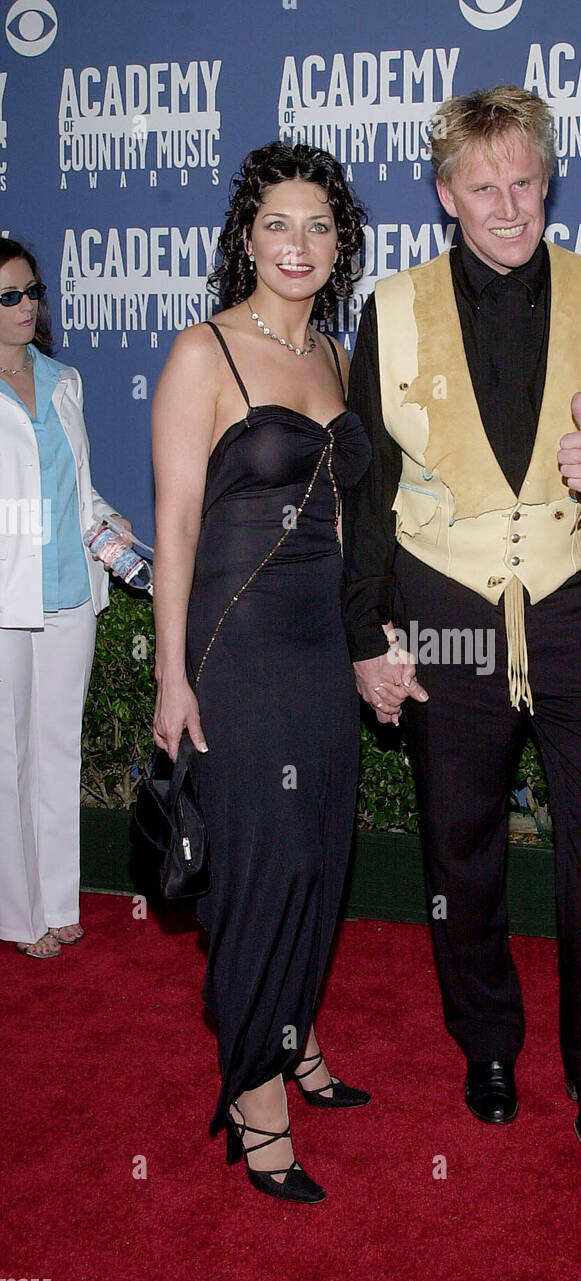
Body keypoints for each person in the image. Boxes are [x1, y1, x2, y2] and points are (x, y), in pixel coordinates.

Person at [343, 88, 581, 1159]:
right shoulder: (390, 310)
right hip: (443, 609)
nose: (507, 206)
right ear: (445, 195)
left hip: (573, 604)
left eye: (523, 182)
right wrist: (368, 637)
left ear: (549, 181)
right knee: (461, 847)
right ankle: (487, 1044)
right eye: (482, 186)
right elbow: (362, 490)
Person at [151, 143, 372, 1204]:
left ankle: (298, 1037)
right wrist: (170, 675)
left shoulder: (335, 355)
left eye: (318, 226)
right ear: (246, 236)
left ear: (341, 244)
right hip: (237, 647)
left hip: (323, 642)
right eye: (278, 223)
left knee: (320, 845)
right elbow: (178, 521)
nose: (298, 243)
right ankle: (256, 1098)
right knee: (260, 860)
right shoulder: (206, 352)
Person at [0, 237, 132, 959]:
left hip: (71, 590)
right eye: (9, 297)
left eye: (32, 291)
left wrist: (106, 521)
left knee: (55, 749)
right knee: (7, 754)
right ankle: (20, 917)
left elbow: (73, 486)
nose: (27, 306)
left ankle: (57, 899)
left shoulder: (63, 379)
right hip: (4, 594)